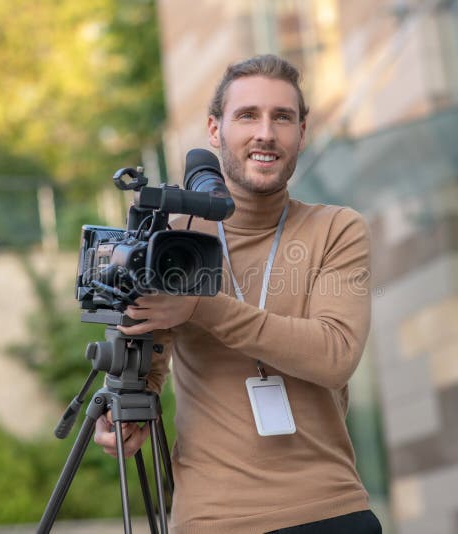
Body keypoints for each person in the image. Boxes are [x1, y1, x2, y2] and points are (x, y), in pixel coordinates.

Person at [94, 54, 380, 533]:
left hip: (328, 510)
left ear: (301, 133)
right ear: (215, 129)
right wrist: (124, 413)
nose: (265, 133)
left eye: (282, 117)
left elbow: (336, 355)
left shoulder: (337, 229)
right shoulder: (172, 239)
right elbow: (149, 367)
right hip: (211, 520)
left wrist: (201, 306)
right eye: (247, 115)